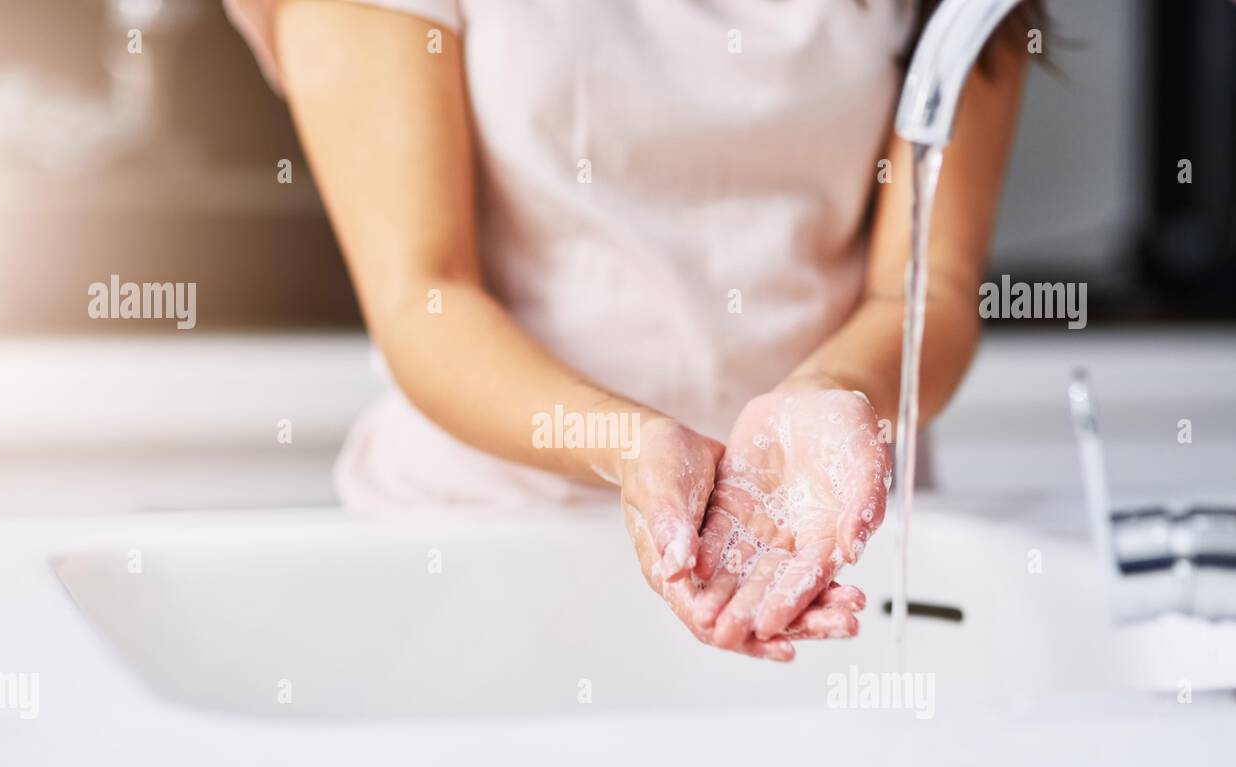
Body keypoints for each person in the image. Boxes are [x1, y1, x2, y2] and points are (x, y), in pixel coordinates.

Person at [225, 0, 1035, 662]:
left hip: (820, 551)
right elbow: (423, 296)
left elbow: (925, 291)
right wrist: (628, 441)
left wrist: (832, 392)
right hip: (481, 549)